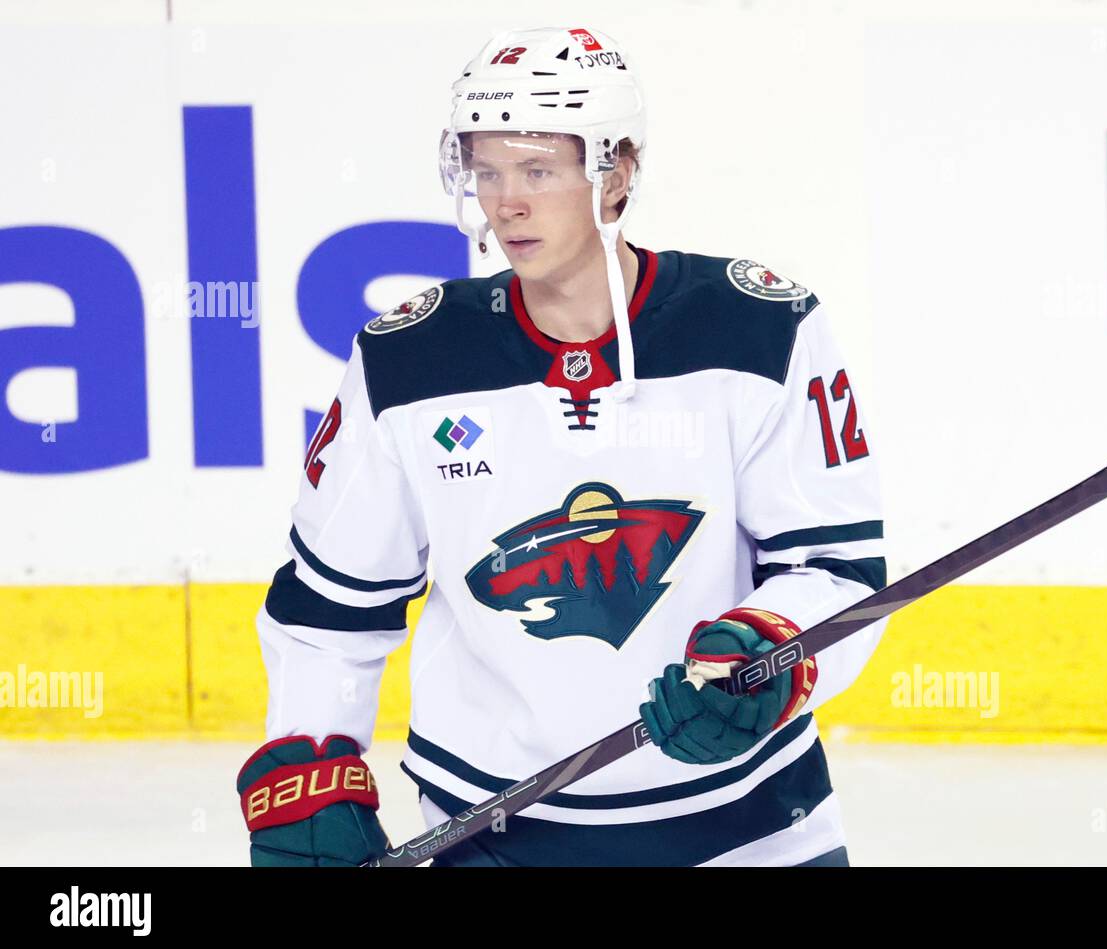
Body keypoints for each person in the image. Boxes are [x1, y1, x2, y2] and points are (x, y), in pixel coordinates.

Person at [237, 25, 887, 867]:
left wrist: (772, 648)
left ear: (616, 174)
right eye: (488, 170)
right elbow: (333, 610)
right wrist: (311, 768)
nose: (505, 201)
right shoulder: (409, 360)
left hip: (755, 830)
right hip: (493, 833)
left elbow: (835, 570)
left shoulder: (759, 329)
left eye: (537, 170)